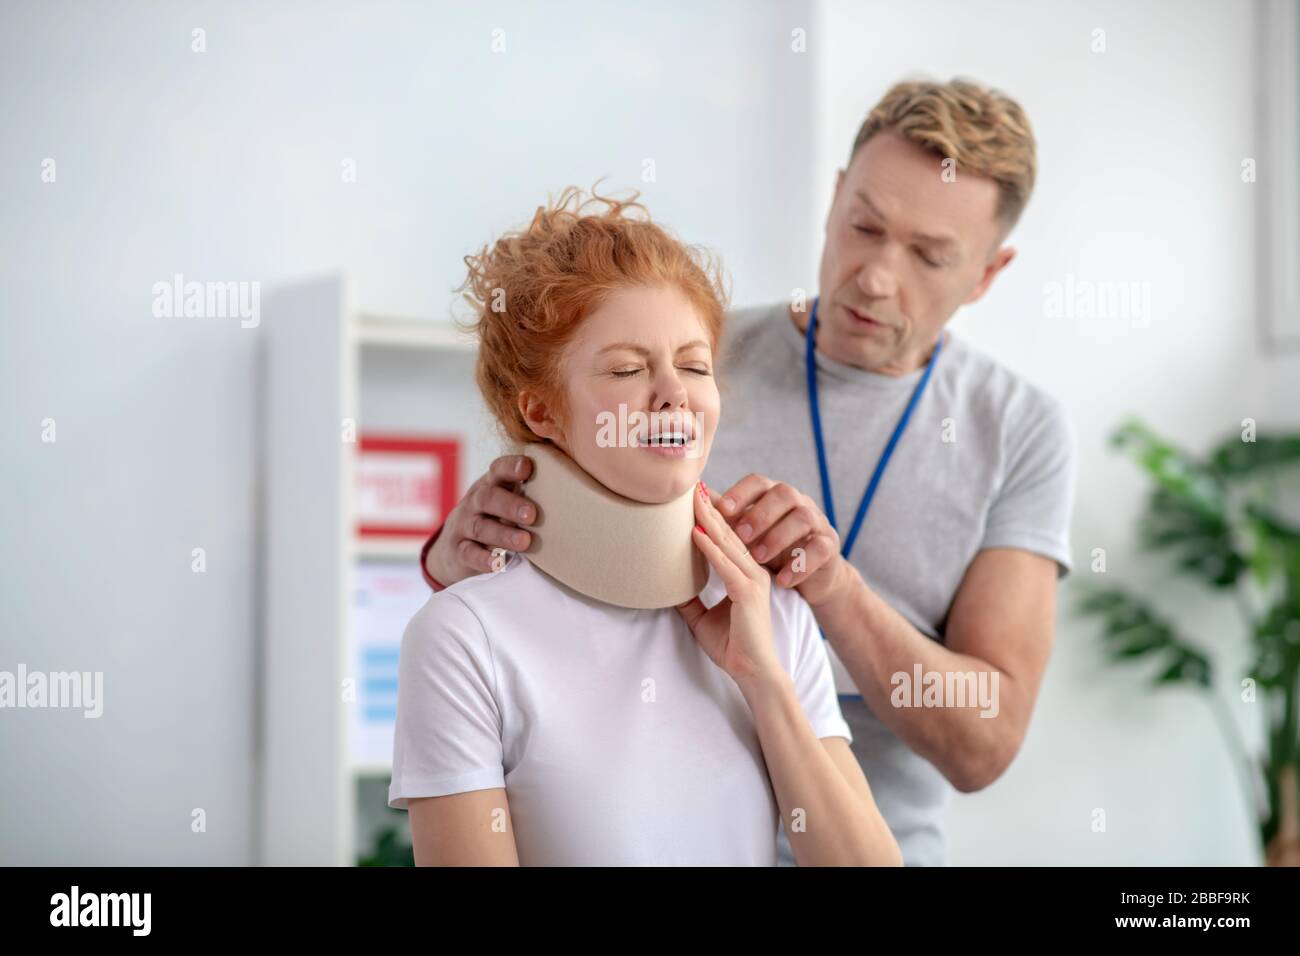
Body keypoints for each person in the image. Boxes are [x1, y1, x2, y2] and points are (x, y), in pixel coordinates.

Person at [419, 78, 1077, 866]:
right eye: (863, 225)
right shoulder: (690, 347)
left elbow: (984, 744)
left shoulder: (1019, 431)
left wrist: (829, 597)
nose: (873, 275)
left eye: (930, 255)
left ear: (987, 274)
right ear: (834, 199)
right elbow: (530, 550)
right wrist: (453, 557)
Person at [388, 186, 903, 866]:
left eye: (694, 366)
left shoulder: (770, 613)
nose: (675, 394)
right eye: (628, 369)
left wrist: (763, 680)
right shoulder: (464, 637)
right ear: (541, 412)